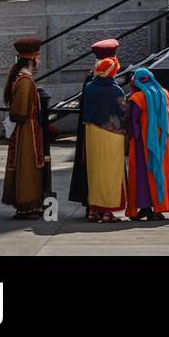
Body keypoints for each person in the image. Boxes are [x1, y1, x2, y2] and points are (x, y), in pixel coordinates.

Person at [69, 38, 121, 210]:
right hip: (105, 131)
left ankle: (91, 205)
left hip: (89, 127)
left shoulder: (91, 79)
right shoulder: (104, 80)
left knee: (92, 168)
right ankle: (103, 205)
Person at [125, 68, 169, 221]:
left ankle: (145, 207)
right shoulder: (165, 93)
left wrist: (135, 140)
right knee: (160, 173)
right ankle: (159, 207)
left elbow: (134, 121)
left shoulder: (137, 98)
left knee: (142, 176)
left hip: (143, 144)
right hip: (163, 143)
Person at [79, 57, 128, 223]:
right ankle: (108, 211)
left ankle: (94, 210)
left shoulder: (89, 87)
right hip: (111, 135)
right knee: (111, 172)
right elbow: (123, 113)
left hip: (92, 132)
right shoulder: (116, 90)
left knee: (95, 171)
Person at [1, 37, 44, 221]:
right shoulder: (25, 81)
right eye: (38, 57)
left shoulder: (22, 78)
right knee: (27, 167)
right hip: (26, 130)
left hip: (27, 129)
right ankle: (27, 204)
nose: (39, 61)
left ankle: (28, 204)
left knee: (26, 166)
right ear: (31, 59)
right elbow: (19, 111)